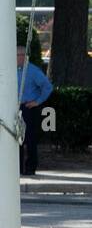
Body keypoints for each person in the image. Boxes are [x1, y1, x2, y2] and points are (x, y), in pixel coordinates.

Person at [16, 43, 52, 177]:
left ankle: (30, 168)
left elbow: (47, 87)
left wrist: (37, 101)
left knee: (30, 139)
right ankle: (17, 168)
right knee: (15, 139)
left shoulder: (33, 71)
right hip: (14, 108)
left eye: (16, 55)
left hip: (28, 109)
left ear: (23, 57)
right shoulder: (10, 70)